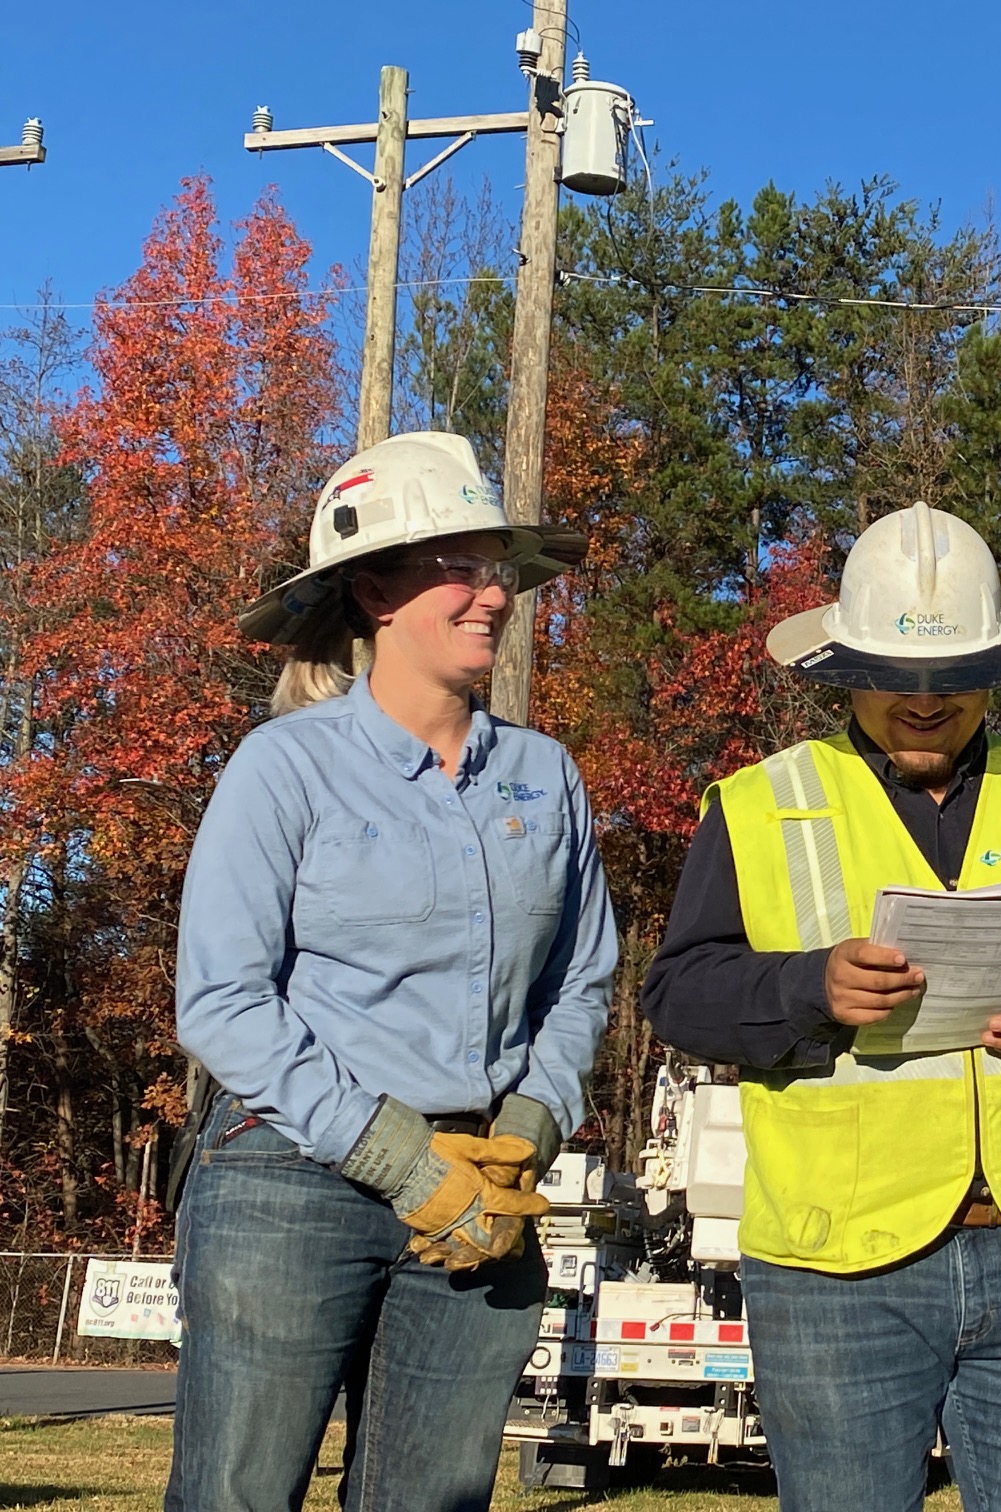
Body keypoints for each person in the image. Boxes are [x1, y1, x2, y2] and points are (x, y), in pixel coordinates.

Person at [643, 500, 1001, 1512]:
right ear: (846, 666)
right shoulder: (762, 803)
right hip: (834, 1271)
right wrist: (809, 989)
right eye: (898, 677)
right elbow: (678, 994)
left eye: (953, 677)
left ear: (999, 667)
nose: (926, 701)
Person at [168, 432, 616, 1512]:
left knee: (433, 1499)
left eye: (497, 569)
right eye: (456, 568)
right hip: (287, 1177)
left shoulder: (545, 777)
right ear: (374, 590)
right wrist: (402, 1164)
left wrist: (528, 1130)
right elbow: (222, 1002)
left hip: (486, 1183)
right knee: (238, 1494)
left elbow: (583, 980)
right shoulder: (285, 768)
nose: (491, 596)